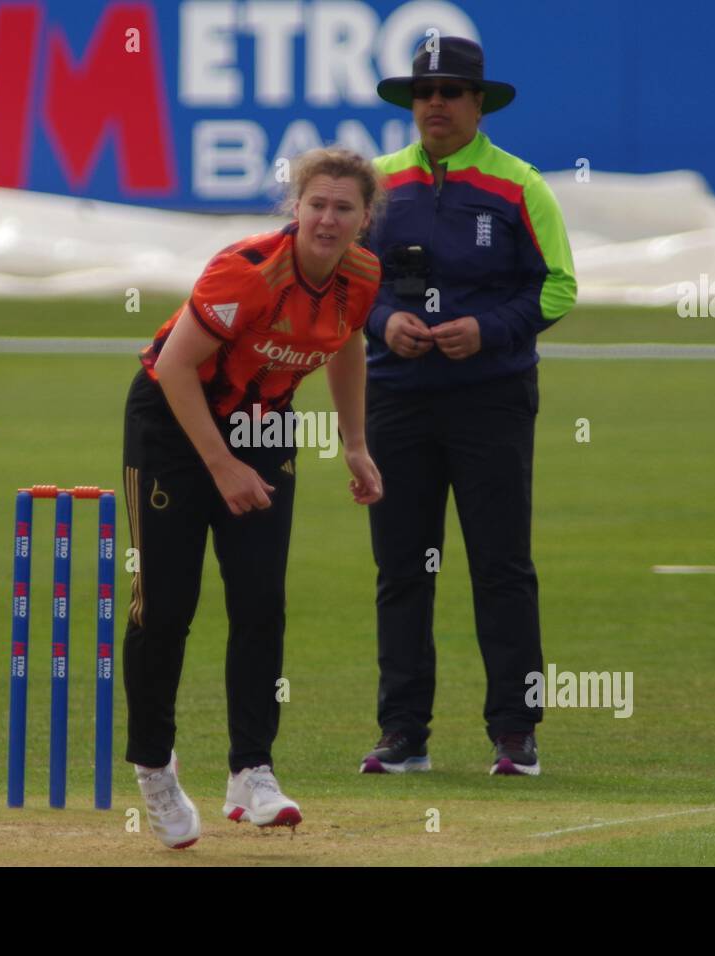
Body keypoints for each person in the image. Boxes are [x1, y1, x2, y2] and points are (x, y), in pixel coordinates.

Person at [121, 147, 385, 849]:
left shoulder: (362, 273)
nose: (328, 219)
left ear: (365, 218)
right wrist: (222, 466)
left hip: (262, 428)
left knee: (261, 601)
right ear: (295, 208)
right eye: (317, 204)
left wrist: (354, 444)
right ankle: (153, 765)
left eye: (344, 208)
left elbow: (349, 342)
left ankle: (251, 773)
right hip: (174, 427)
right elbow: (176, 366)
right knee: (166, 608)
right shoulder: (247, 271)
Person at [358, 37, 577, 777]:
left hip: (492, 401)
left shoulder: (520, 186)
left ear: (479, 103)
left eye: (453, 92)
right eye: (425, 93)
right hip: (396, 399)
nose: (437, 105)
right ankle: (403, 732)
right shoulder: (379, 185)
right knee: (400, 569)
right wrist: (384, 320)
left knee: (502, 566)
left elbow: (557, 287)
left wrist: (486, 330)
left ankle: (515, 731)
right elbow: (342, 280)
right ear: (411, 103)